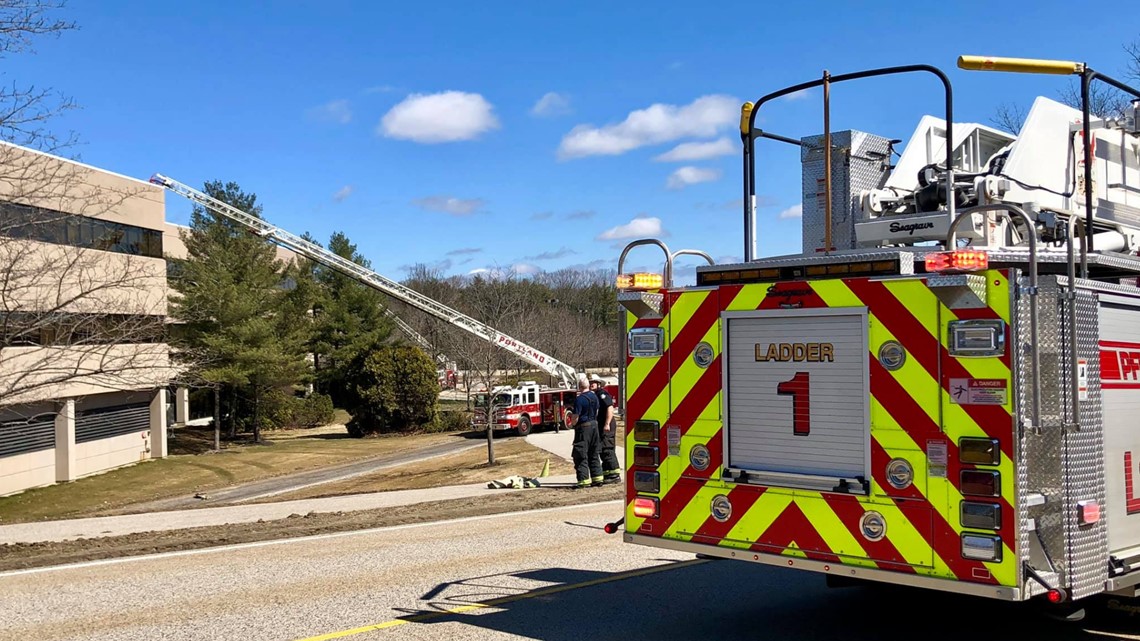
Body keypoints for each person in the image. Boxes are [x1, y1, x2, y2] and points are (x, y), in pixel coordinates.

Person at [566, 374, 603, 488]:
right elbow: (596, 411)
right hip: (594, 426)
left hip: (583, 428)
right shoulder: (595, 397)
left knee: (580, 454)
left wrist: (572, 423)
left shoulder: (579, 399)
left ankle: (583, 480)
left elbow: (576, 417)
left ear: (579, 386)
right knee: (594, 453)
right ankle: (597, 478)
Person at [590, 375, 621, 482]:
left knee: (607, 448)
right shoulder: (595, 395)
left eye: (593, 382)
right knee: (602, 449)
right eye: (590, 382)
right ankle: (607, 473)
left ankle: (614, 475)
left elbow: (610, 408)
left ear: (599, 384)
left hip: (607, 425)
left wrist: (607, 423)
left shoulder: (602, 394)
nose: (591, 384)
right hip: (601, 425)